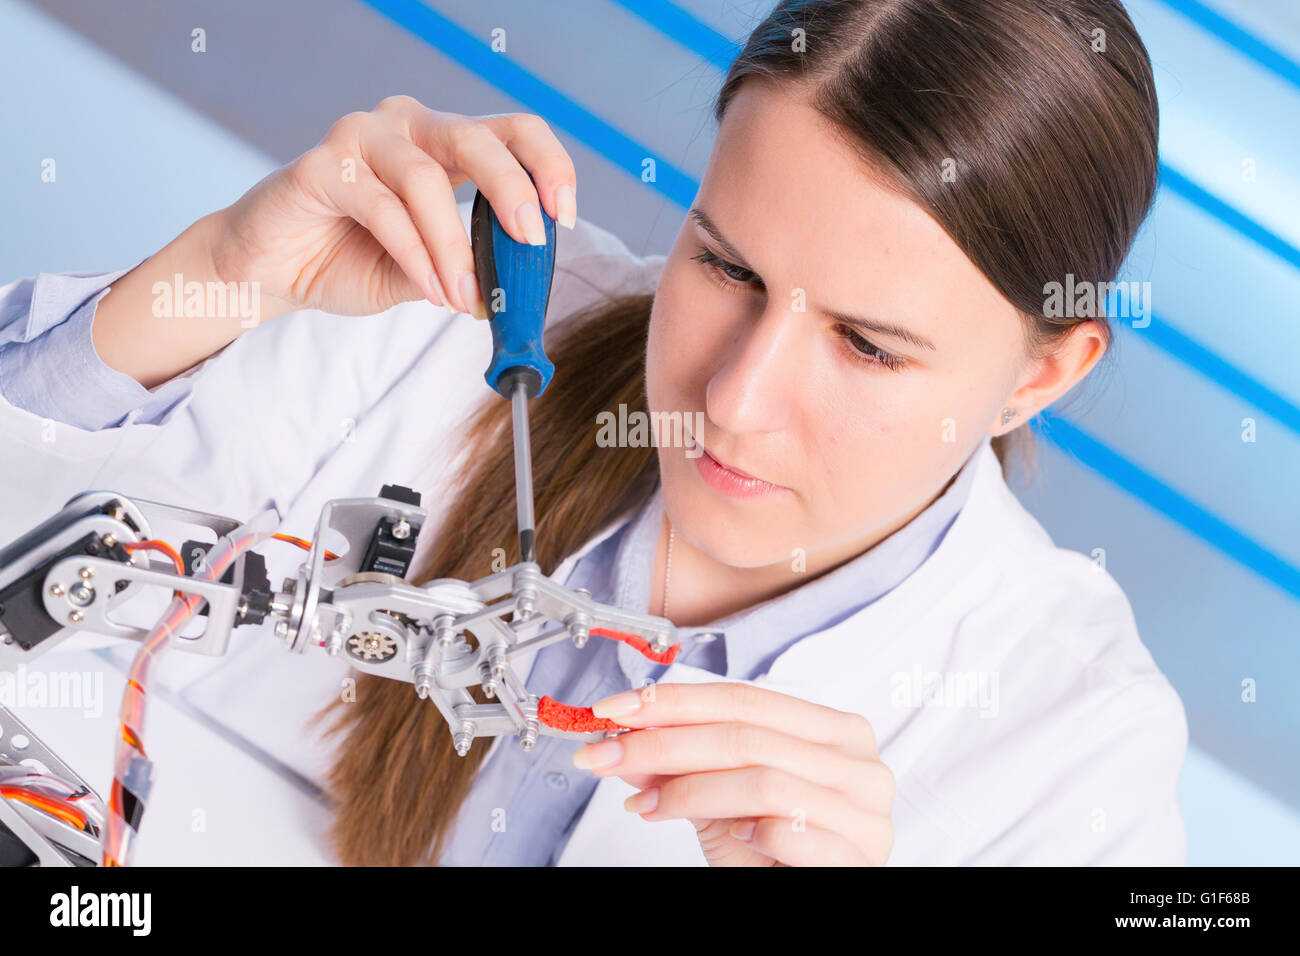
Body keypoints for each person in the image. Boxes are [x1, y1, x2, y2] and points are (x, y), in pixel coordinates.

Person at [0, 0, 1186, 866]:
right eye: (725, 264)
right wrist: (207, 280)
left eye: (867, 345)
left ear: (1044, 371)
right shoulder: (439, 315)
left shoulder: (1074, 743)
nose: (733, 396)